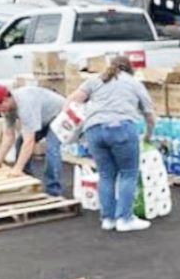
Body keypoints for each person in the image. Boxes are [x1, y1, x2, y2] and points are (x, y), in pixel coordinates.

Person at [66, 54, 156, 232]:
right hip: (121, 129)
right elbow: (149, 114)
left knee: (106, 174)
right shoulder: (134, 83)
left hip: (94, 130)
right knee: (128, 173)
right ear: (129, 68)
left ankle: (107, 219)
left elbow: (71, 101)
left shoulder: (95, 81)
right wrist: (148, 135)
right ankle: (125, 219)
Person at [0, 83, 66, 197]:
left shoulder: (25, 105)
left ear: (6, 99)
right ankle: (27, 181)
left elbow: (29, 142)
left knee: (51, 148)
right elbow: (8, 135)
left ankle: (53, 190)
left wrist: (17, 168)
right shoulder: (8, 109)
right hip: (43, 117)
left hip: (61, 115)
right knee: (20, 142)